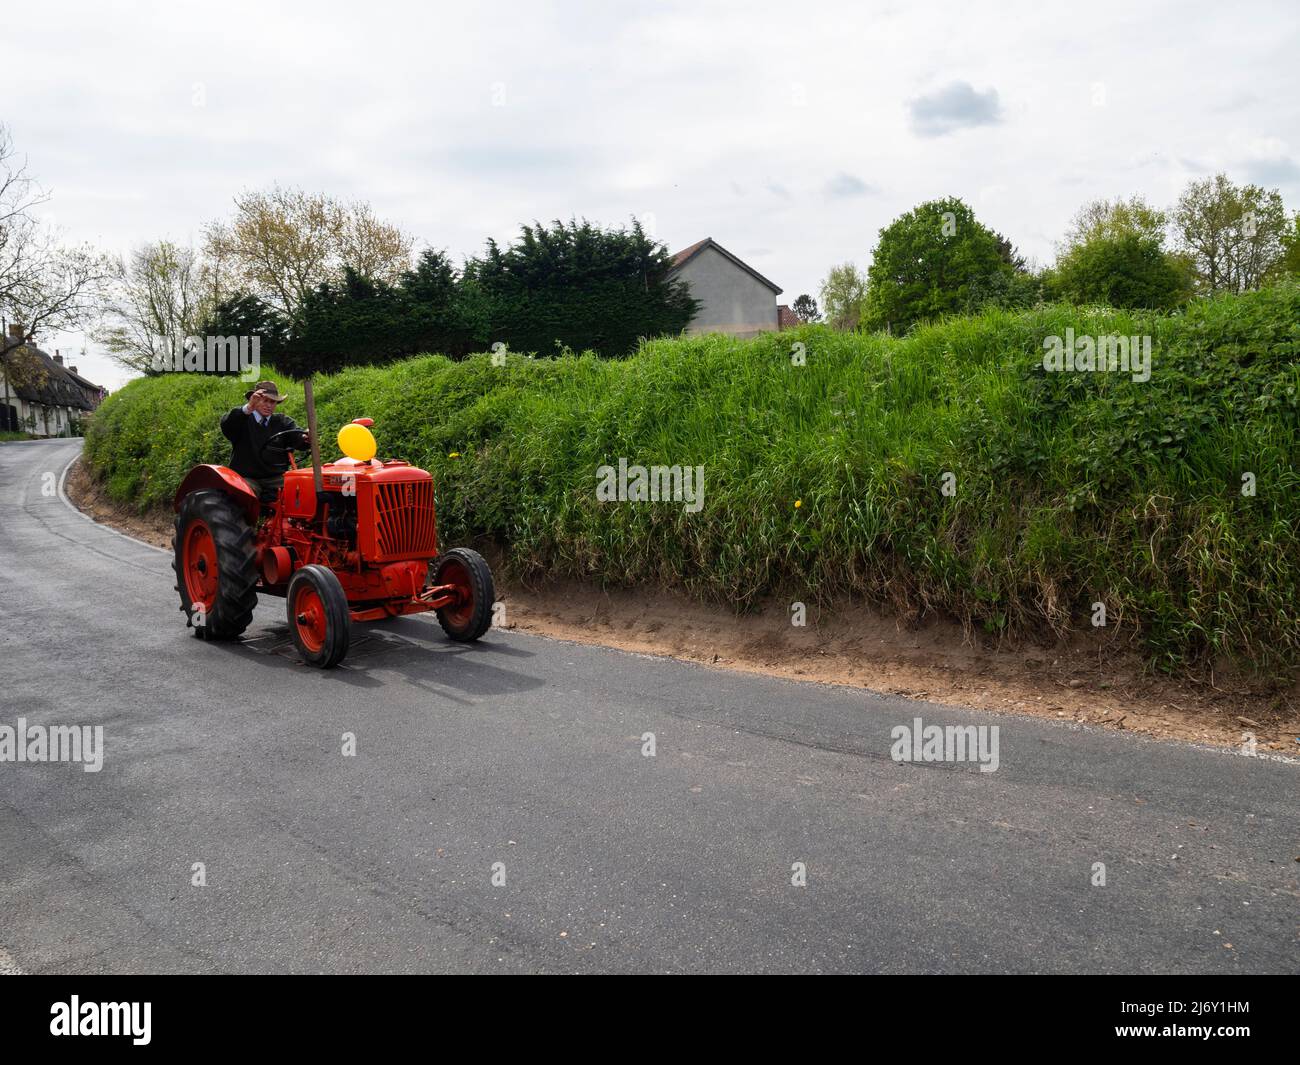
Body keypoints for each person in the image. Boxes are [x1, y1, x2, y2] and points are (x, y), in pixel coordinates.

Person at [219, 380, 309, 503]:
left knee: (303, 487)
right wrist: (248, 408)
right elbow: (227, 425)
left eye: (272, 402)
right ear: (254, 400)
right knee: (244, 496)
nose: (269, 405)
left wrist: (305, 438)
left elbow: (297, 437)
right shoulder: (242, 419)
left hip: (275, 477)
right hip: (247, 477)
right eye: (265, 400)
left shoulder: (282, 421)